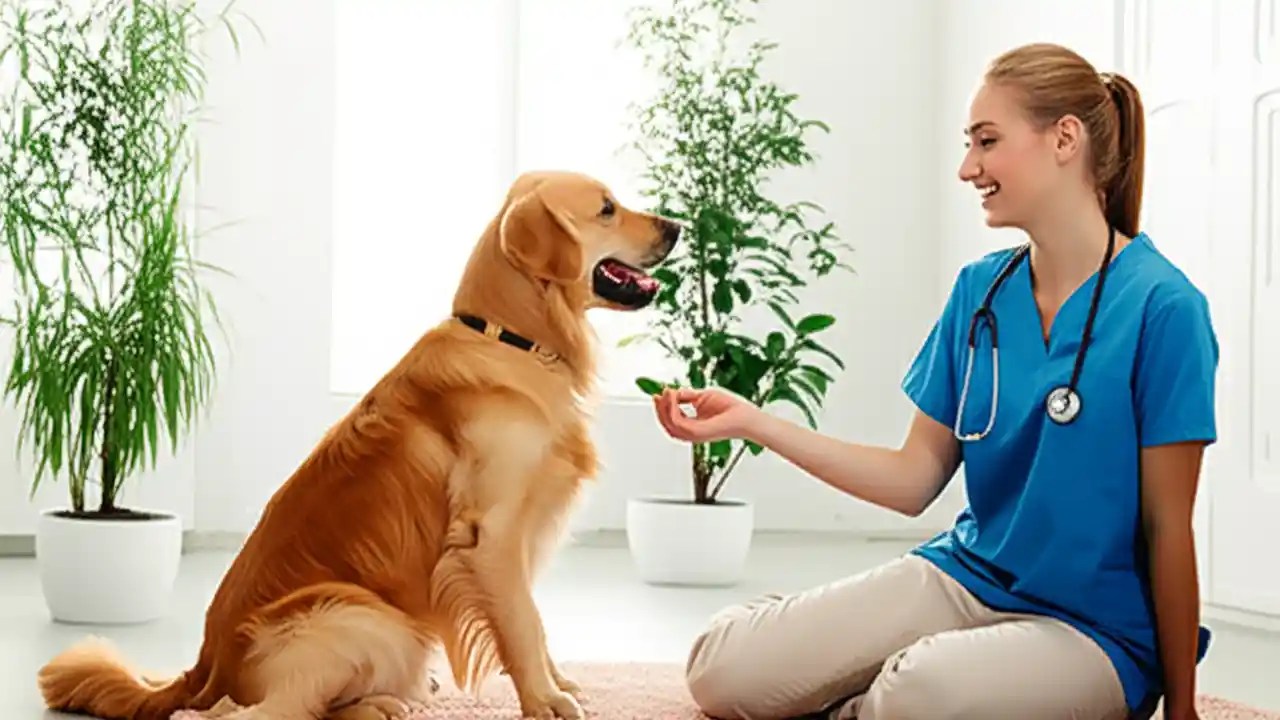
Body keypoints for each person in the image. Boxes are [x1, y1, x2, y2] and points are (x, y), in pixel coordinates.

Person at [651, 42, 1217, 720]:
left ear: (1064, 138)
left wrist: (1181, 708)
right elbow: (912, 479)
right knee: (723, 669)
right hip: (967, 578)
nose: (967, 167)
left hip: (1091, 631)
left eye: (987, 141)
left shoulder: (1165, 308)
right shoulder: (980, 293)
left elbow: (1168, 526)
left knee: (920, 694)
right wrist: (752, 420)